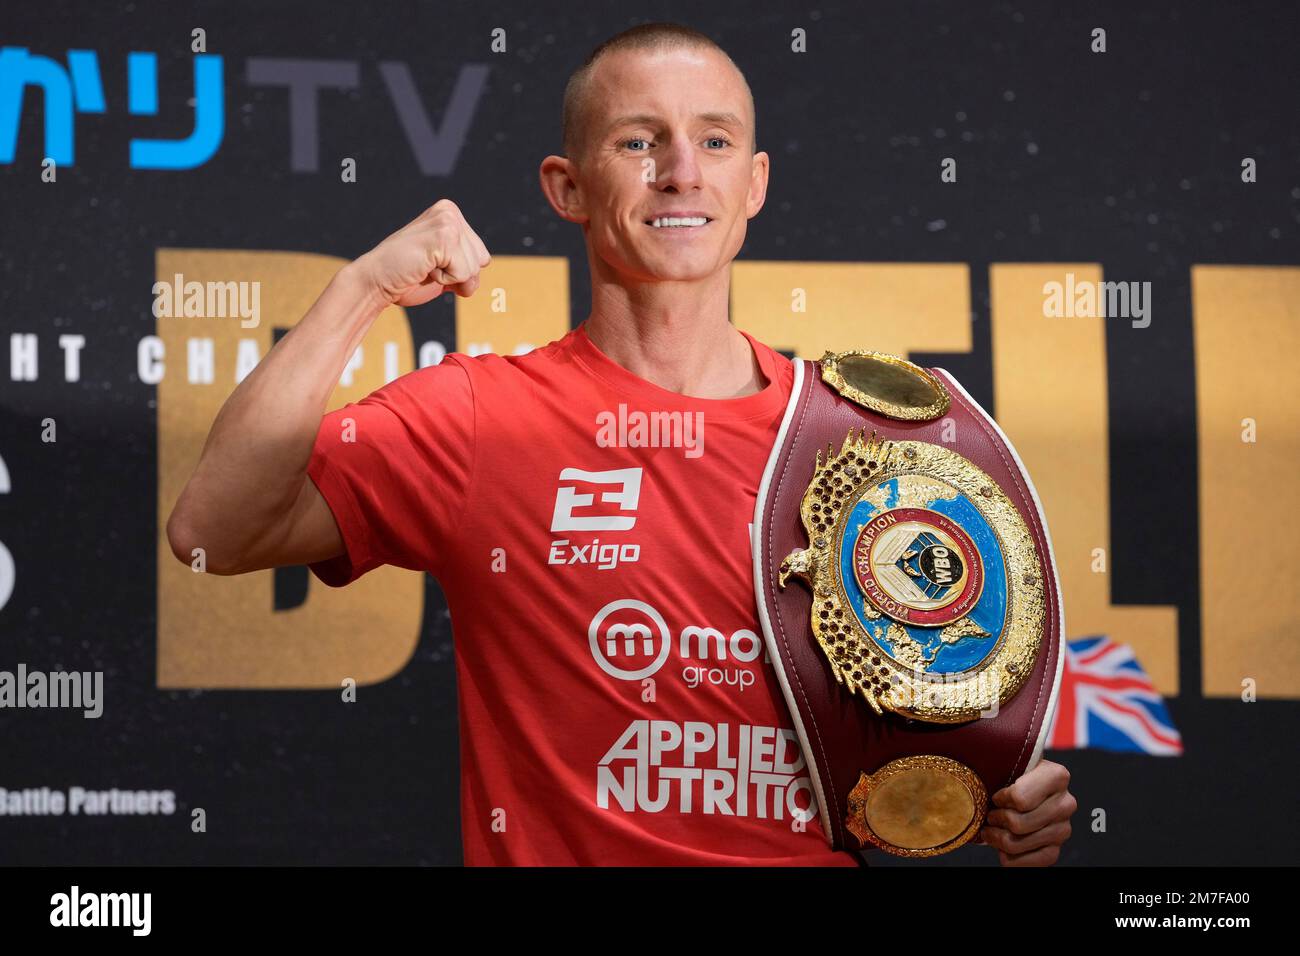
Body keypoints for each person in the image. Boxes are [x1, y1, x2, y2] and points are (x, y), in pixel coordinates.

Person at [166, 22, 1075, 866]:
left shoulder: (860, 436)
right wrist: (360, 288)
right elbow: (216, 529)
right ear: (567, 187)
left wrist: (1008, 787)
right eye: (639, 142)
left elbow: (928, 706)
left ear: (753, 183)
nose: (682, 171)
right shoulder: (480, 417)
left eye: (714, 142)